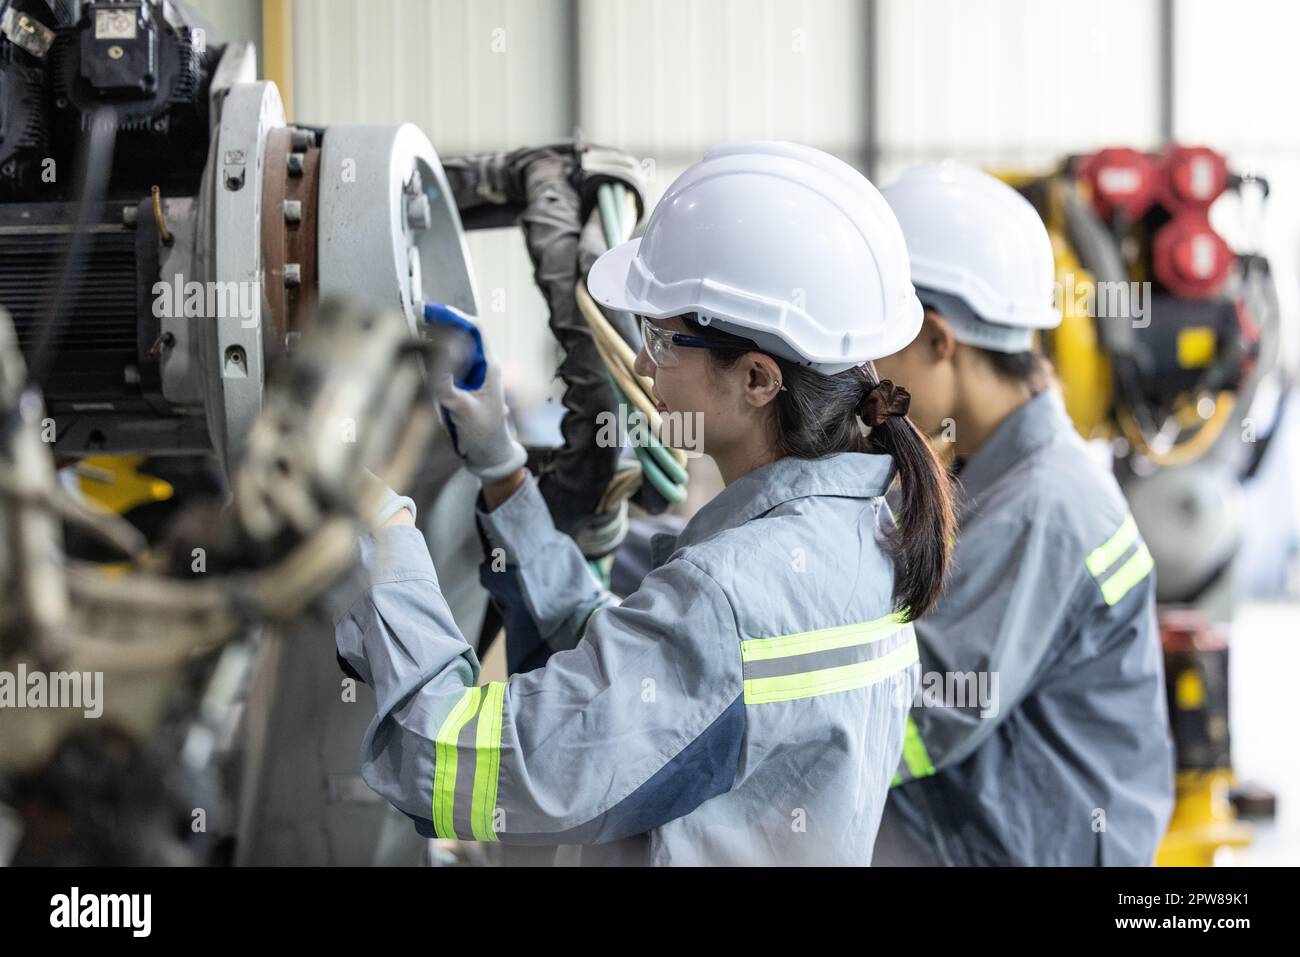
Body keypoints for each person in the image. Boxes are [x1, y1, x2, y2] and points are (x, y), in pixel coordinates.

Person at [332, 141, 954, 865]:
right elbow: (643, 686)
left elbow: (454, 759)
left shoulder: (733, 592)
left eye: (661, 338)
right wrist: (504, 470)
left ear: (758, 378)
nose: (637, 360)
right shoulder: (862, 536)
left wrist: (388, 548)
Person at [870, 163, 1175, 866]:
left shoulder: (1044, 505)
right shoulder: (992, 471)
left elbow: (917, 720)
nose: (862, 373)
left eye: (876, 340)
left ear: (940, 341)